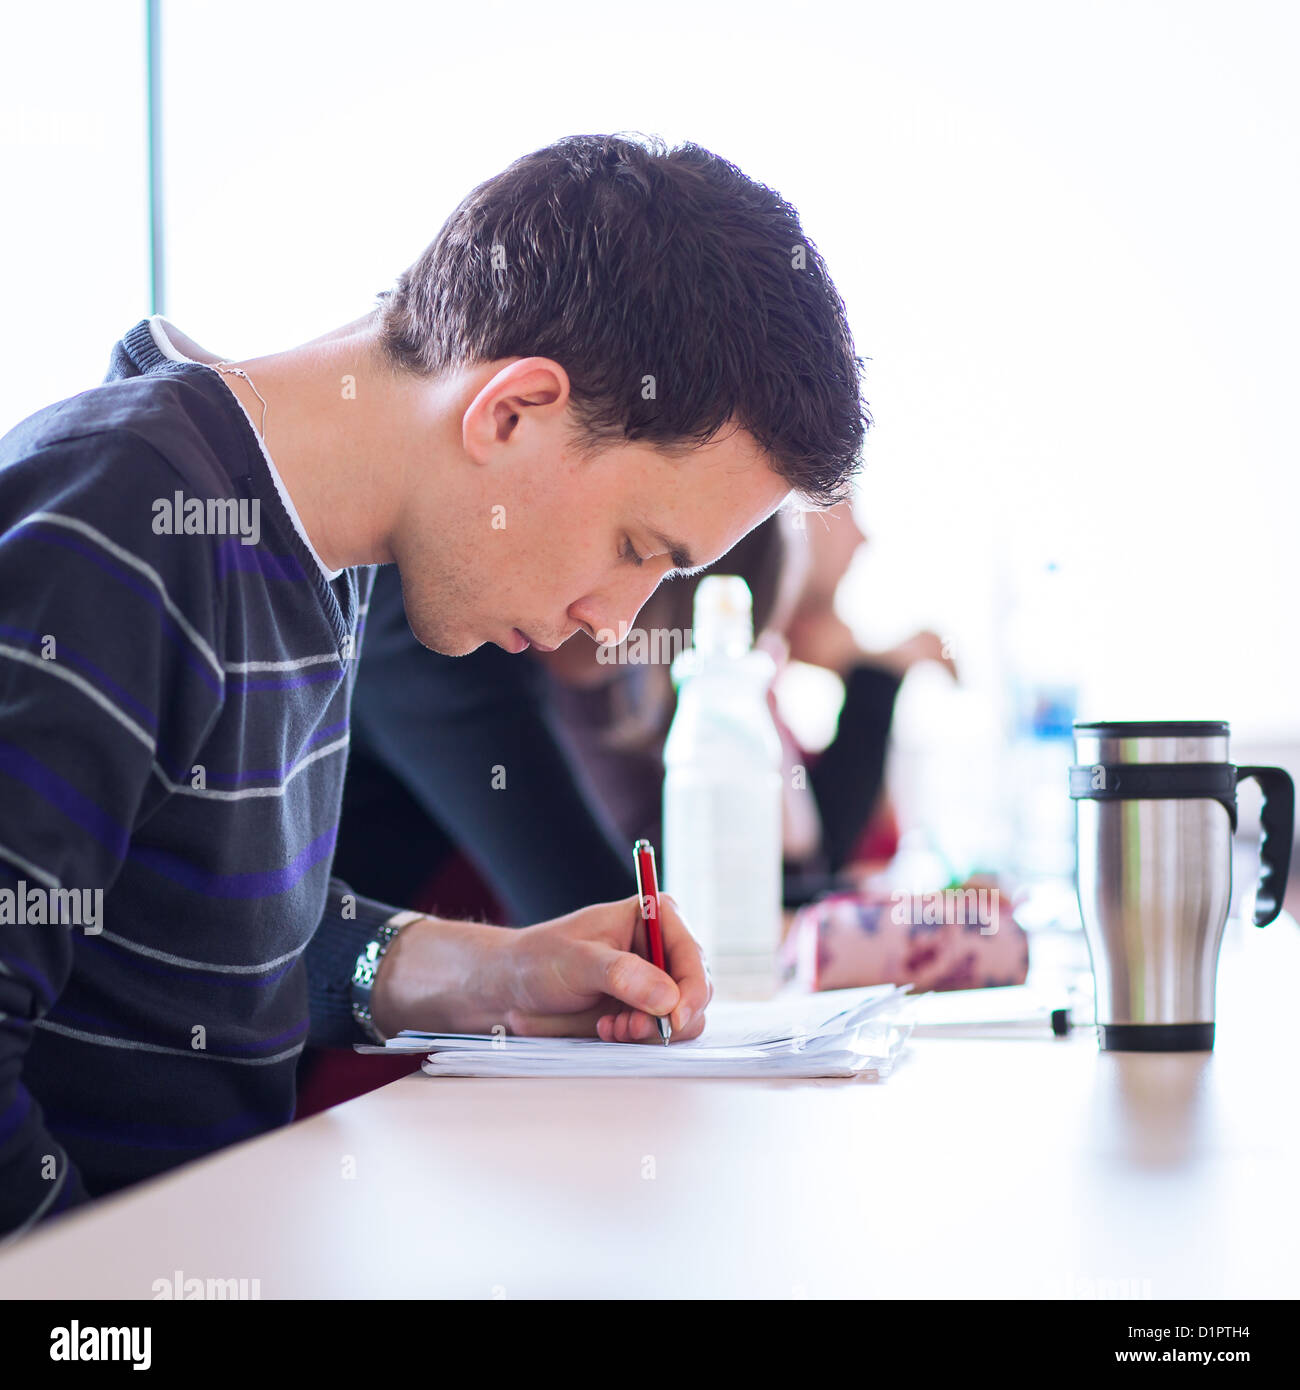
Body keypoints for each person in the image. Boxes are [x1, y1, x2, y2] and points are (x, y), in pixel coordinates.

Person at [0, 133, 868, 1237]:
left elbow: (181, 950)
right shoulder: (119, 527)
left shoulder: (326, 564)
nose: (615, 620)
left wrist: (495, 973)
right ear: (509, 412)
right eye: (638, 548)